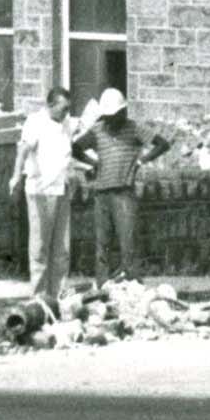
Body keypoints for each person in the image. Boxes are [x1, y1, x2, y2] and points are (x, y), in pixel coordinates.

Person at [13, 87, 78, 309]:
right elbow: (23, 150)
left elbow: (67, 155)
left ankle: (57, 296)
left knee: (62, 249)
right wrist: (16, 177)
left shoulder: (66, 124)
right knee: (40, 248)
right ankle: (39, 299)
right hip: (40, 191)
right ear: (50, 105)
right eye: (63, 109)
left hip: (61, 190)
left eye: (69, 109)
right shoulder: (35, 122)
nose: (66, 113)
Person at [78, 89, 143, 282]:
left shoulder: (134, 128)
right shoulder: (98, 130)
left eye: (115, 115)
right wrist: (92, 163)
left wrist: (141, 161)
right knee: (102, 243)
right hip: (102, 193)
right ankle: (103, 284)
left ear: (123, 112)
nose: (112, 120)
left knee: (128, 242)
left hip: (124, 192)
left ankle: (131, 283)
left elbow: (162, 143)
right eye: (109, 116)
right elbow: (75, 147)